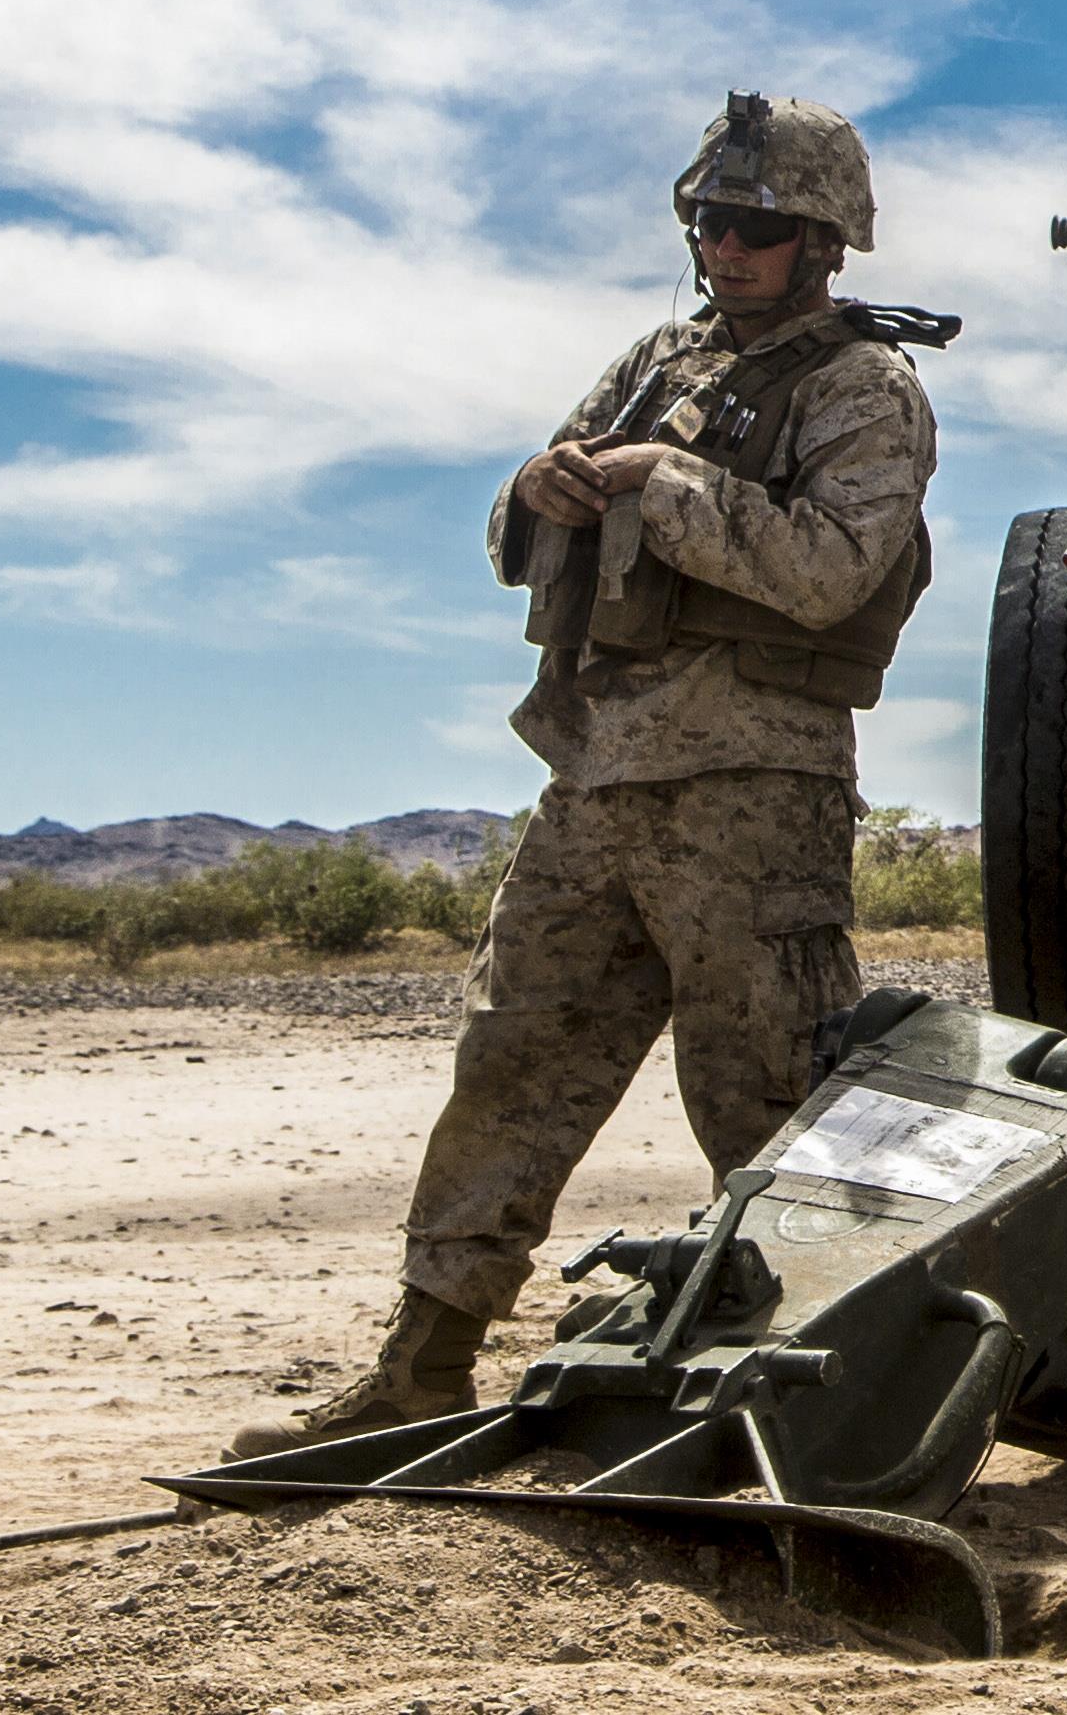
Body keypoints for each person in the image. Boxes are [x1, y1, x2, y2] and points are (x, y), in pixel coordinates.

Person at [241, 95, 942, 1451]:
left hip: (754, 787)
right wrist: (543, 484)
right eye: (710, 220)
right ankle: (422, 1362)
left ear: (823, 241)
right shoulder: (658, 359)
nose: (726, 246)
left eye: (758, 227)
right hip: (597, 774)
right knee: (512, 1060)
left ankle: (824, 1400)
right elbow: (521, 529)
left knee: (764, 1097)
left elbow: (828, 569)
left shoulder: (865, 388)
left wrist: (662, 485)